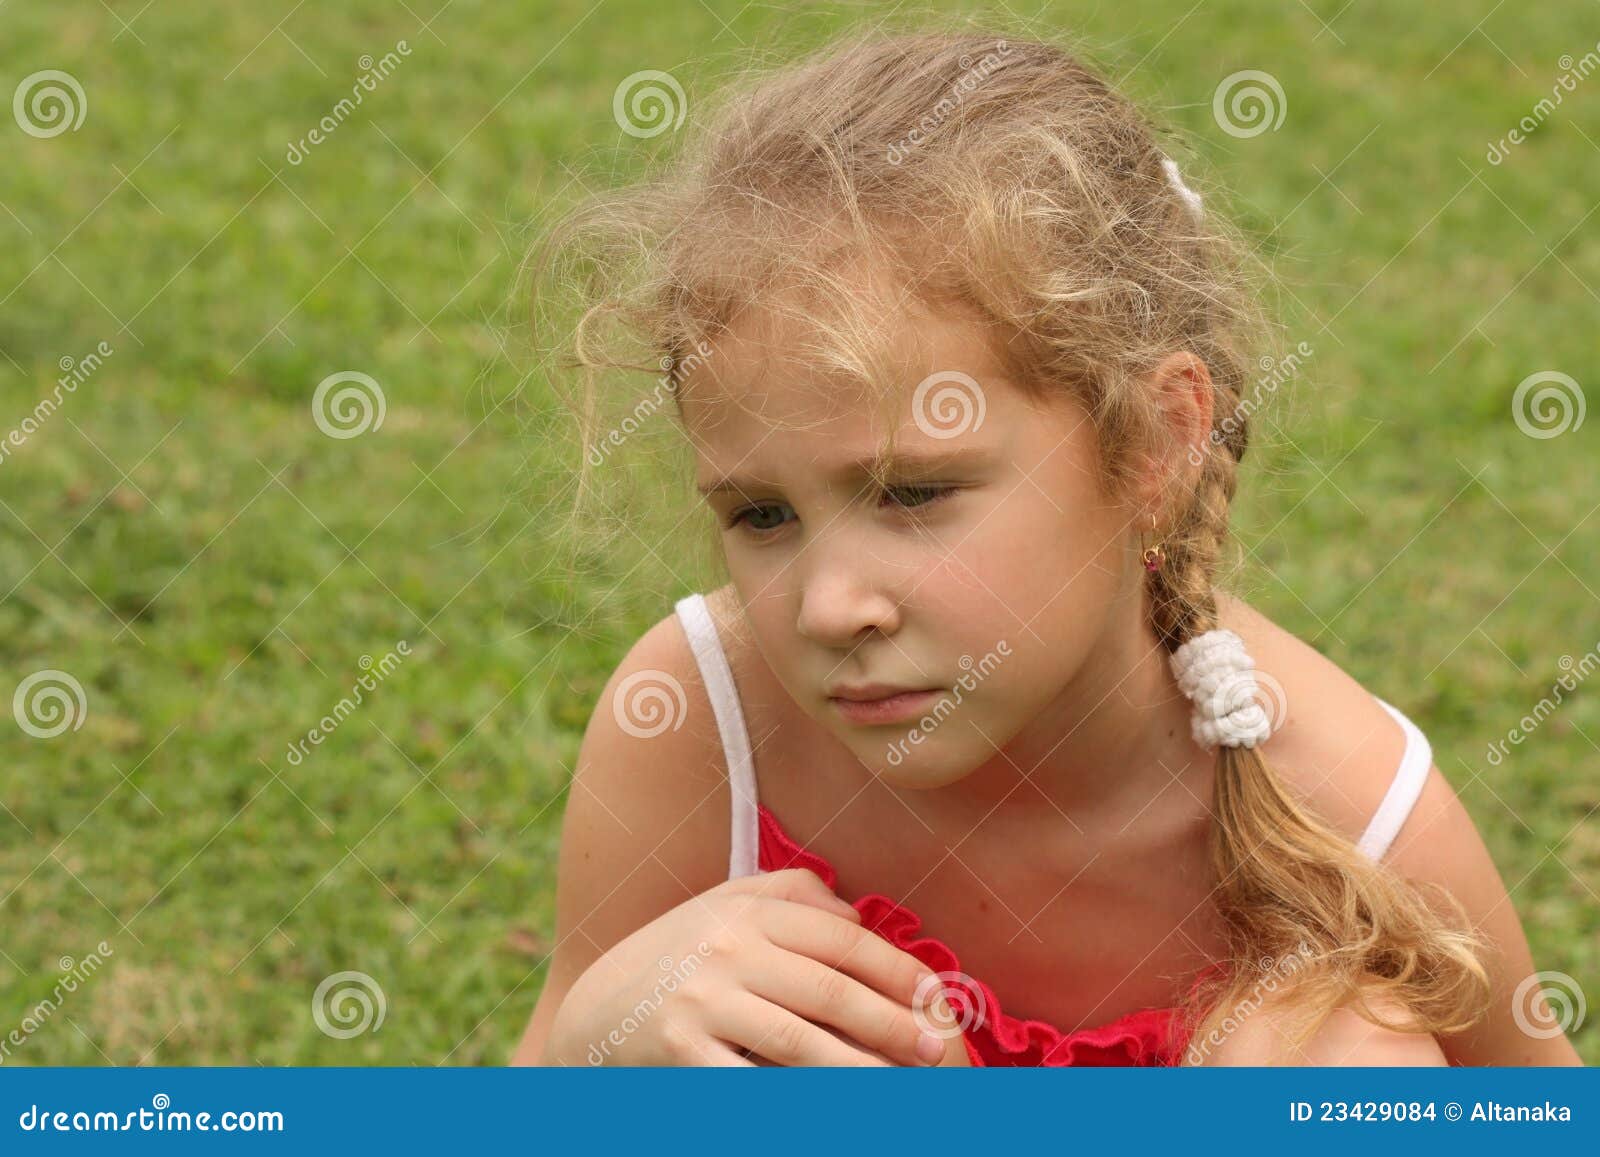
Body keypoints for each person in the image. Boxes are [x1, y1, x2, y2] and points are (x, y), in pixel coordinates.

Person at [510, 24, 1582, 1067]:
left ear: (1156, 443)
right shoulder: (704, 722)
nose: (829, 605)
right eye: (759, 516)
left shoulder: (1349, 805)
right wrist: (586, 1044)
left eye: (914, 491)